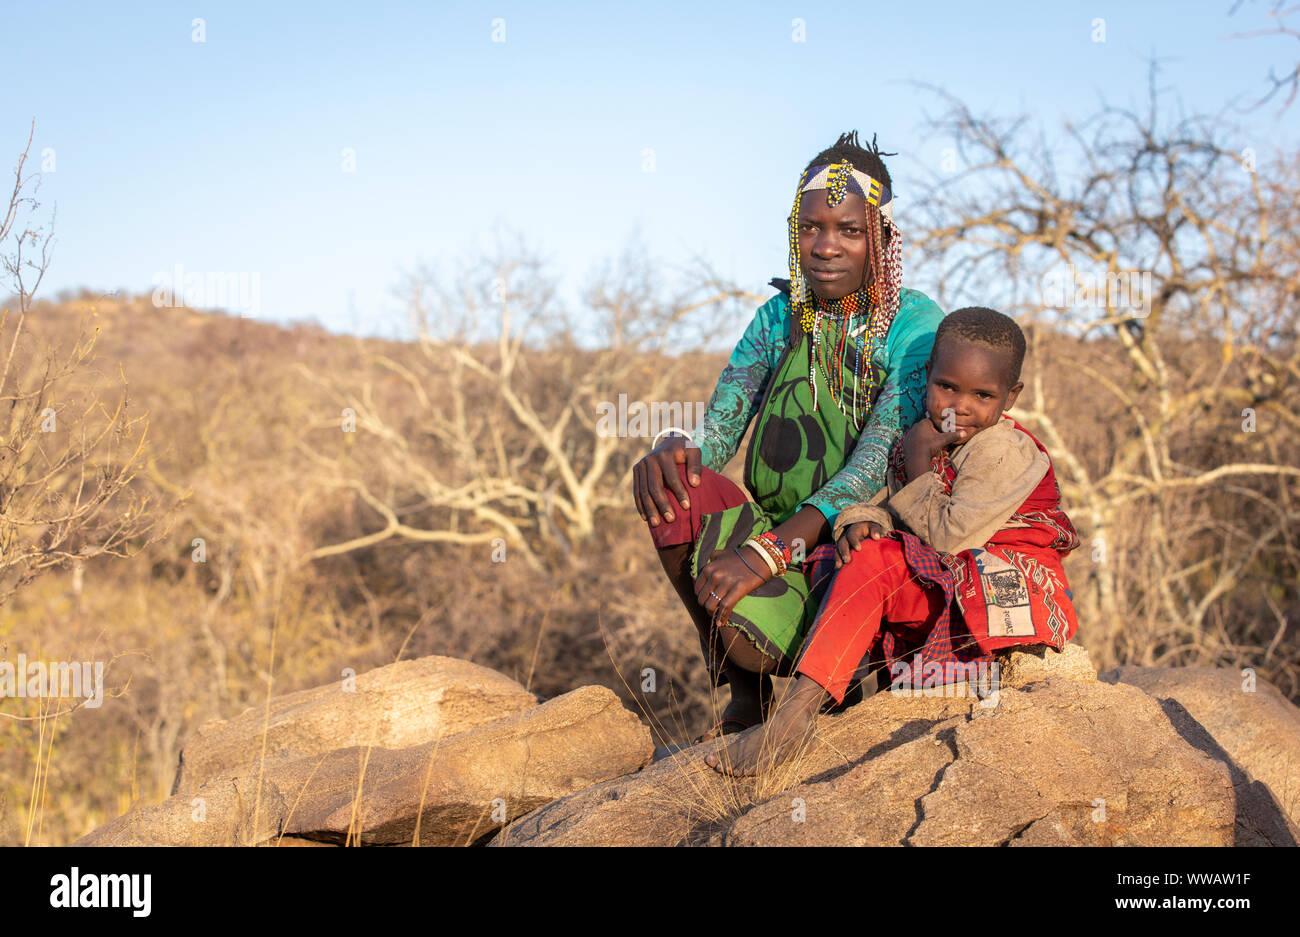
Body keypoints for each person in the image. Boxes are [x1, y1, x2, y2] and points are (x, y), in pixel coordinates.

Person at [630, 131, 943, 742]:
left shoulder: (914, 326)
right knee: (673, 486)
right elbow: (717, 431)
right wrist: (670, 445)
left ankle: (832, 678)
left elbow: (871, 466)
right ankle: (744, 694)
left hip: (851, 540)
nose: (825, 247)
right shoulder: (779, 316)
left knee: (751, 636)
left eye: (849, 230)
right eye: (811, 227)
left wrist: (766, 554)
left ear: (880, 238)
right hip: (770, 526)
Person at [706, 306, 1082, 776]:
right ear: (927, 377)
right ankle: (829, 697)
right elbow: (886, 503)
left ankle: (793, 716)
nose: (959, 406)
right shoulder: (921, 434)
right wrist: (862, 520)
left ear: (1010, 396)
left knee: (879, 558)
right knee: (850, 552)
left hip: (992, 598)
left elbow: (946, 537)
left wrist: (919, 456)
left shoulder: (1002, 449)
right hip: (943, 589)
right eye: (947, 386)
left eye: (982, 394)